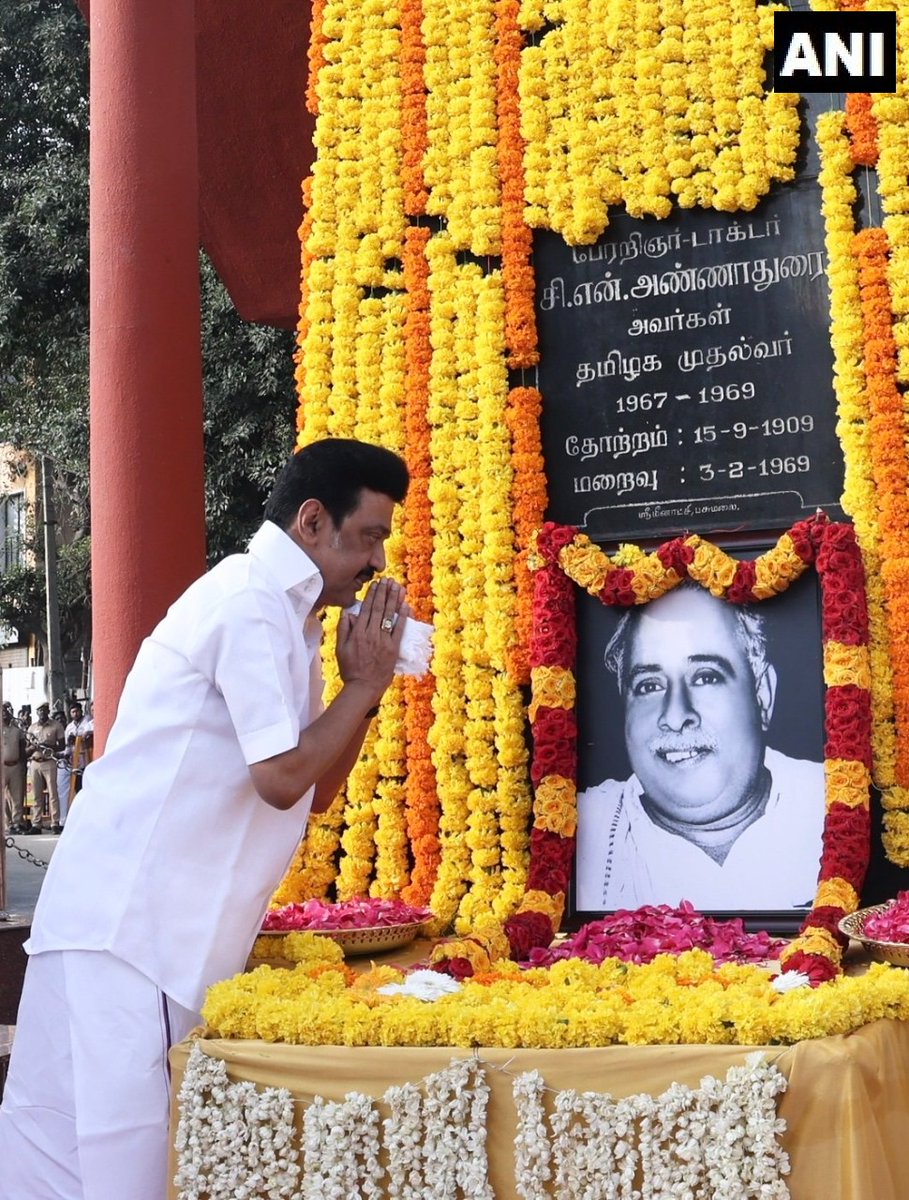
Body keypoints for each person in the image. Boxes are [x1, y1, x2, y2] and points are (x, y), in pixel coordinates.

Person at [0, 438, 411, 1200]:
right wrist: (361, 686)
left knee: (75, 1152)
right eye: (370, 536)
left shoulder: (295, 618)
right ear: (313, 521)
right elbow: (281, 779)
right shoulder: (248, 600)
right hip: (134, 931)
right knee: (115, 1160)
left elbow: (315, 789)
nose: (377, 561)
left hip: (141, 932)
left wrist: (366, 688)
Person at [575, 581, 825, 912]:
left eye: (706, 677)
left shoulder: (832, 802)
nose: (676, 716)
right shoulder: (576, 827)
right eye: (649, 685)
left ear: (762, 695)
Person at [26, 702, 65, 834]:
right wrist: (33, 747)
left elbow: (62, 746)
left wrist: (48, 746)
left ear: (48, 711)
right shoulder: (32, 728)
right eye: (39, 710)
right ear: (37, 713)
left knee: (53, 793)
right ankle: (36, 824)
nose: (42, 712)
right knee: (36, 794)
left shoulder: (56, 725)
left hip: (49, 761)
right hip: (35, 762)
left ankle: (55, 822)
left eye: (44, 710)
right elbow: (27, 748)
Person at [1, 701, 28, 833]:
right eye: (2, 711)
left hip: (15, 765)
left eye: (6, 711)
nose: (4, 714)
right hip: (2, 767)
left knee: (17, 796)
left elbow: (22, 750)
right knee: (2, 797)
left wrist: (23, 765)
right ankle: (7, 823)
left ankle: (17, 823)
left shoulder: (17, 731)